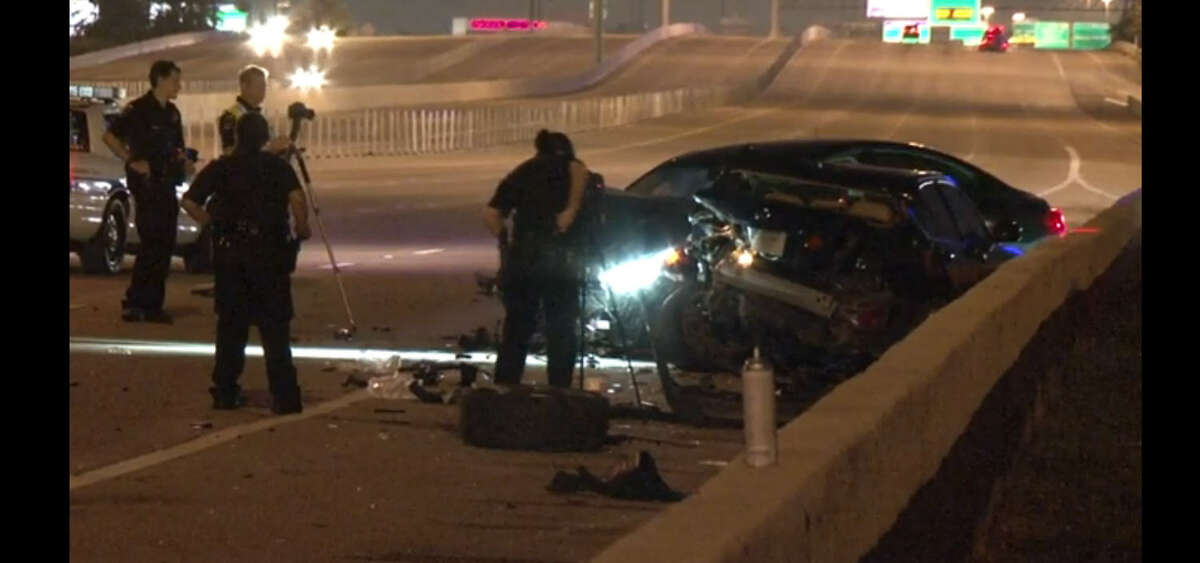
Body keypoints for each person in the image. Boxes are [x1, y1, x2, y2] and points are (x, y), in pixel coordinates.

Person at [179, 113, 312, 414]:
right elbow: (297, 199)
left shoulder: (222, 167)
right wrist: (302, 229)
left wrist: (211, 224)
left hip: (232, 256)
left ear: (238, 137)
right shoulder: (277, 167)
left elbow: (189, 201)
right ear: (264, 138)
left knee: (231, 328)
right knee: (275, 330)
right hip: (270, 254)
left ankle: (225, 392)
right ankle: (285, 396)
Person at [483, 130, 590, 388]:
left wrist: (505, 240)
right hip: (560, 262)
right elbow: (570, 213)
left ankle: (506, 386)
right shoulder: (574, 169)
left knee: (517, 328)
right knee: (561, 328)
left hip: (523, 258)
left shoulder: (523, 171)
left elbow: (491, 213)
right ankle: (559, 387)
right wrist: (567, 218)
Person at [103, 60, 194, 324]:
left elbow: (177, 148)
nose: (179, 86)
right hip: (147, 184)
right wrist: (130, 160)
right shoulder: (138, 109)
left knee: (164, 243)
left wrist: (185, 162)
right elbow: (110, 137)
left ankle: (148, 302)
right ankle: (140, 303)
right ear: (160, 80)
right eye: (175, 80)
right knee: (153, 241)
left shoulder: (172, 113)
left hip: (167, 183)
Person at [218, 65, 291, 157]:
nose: (263, 90)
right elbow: (229, 152)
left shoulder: (261, 114)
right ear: (244, 86)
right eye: (258, 86)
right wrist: (269, 148)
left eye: (264, 86)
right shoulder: (231, 116)